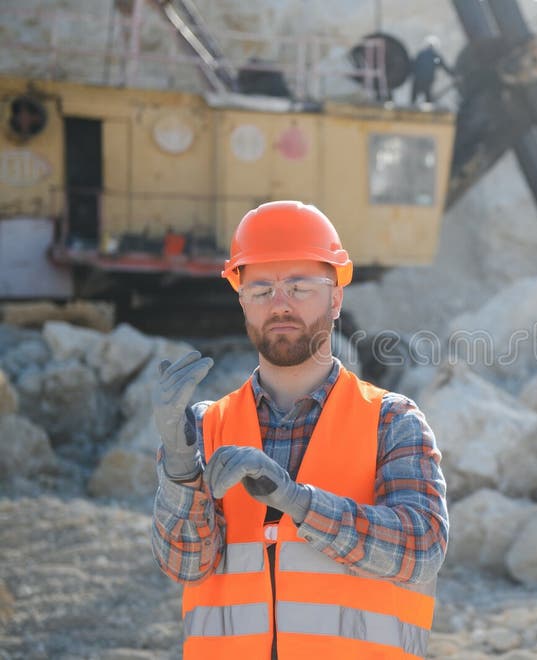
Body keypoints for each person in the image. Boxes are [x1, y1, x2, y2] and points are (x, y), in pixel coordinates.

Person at [150, 200, 448, 659]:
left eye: (299, 286)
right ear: (242, 301)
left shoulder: (391, 421)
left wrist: (296, 502)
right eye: (261, 289)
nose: (280, 304)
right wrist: (178, 465)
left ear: (336, 298)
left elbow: (419, 548)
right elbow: (186, 566)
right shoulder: (204, 428)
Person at [410, 35, 454, 106]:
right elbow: (444, 67)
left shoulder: (420, 54)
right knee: (428, 102)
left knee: (413, 101)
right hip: (428, 81)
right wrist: (454, 75)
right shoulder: (435, 56)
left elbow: (412, 65)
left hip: (417, 80)